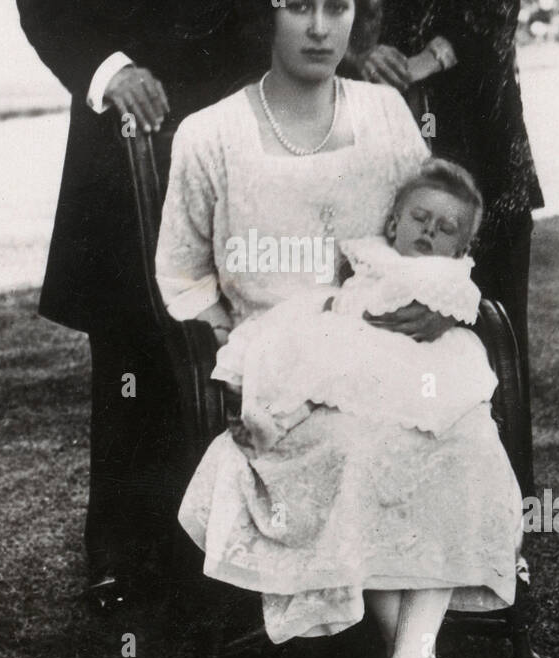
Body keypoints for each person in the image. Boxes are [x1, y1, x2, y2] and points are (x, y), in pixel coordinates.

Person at [155, 0, 522, 658]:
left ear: (358, 17)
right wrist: (241, 355)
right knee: (359, 443)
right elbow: (181, 275)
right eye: (302, 7)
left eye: (339, 7)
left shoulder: (386, 113)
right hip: (286, 368)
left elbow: (432, 236)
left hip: (383, 347)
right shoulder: (210, 135)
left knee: (460, 435)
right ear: (268, 11)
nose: (321, 28)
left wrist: (437, 306)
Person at [15, 0, 292, 610]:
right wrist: (108, 71)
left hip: (236, 153)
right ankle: (122, 560)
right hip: (123, 148)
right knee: (134, 346)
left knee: (234, 337)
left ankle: (230, 553)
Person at [291, 0, 543, 488]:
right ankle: (394, 541)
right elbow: (300, 4)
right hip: (363, 144)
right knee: (381, 336)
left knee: (482, 330)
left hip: (469, 135)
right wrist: (360, 59)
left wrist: (421, 61)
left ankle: (503, 544)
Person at [213, 159, 500, 447]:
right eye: (420, 218)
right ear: (393, 225)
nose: (429, 231)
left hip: (410, 353)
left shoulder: (447, 273)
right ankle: (271, 413)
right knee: (304, 349)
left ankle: (279, 418)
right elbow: (359, 290)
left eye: (446, 228)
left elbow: (461, 299)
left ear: (459, 251)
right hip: (357, 334)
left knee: (336, 370)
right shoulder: (376, 255)